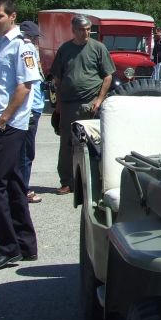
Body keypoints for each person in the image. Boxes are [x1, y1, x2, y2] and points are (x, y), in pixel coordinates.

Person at [0, 0, 41, 272]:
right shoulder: (0, 45)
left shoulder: (21, 46)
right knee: (14, 184)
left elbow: (25, 86)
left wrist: (3, 118)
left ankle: (7, 247)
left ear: (12, 16)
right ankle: (25, 244)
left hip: (9, 125)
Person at [50, 15, 114, 196]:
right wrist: (59, 105)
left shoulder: (98, 48)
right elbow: (58, 78)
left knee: (94, 143)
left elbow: (108, 76)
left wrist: (99, 100)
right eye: (82, 29)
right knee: (67, 144)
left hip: (91, 103)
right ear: (74, 30)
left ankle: (96, 181)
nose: (86, 33)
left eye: (88, 29)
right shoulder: (65, 49)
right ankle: (67, 182)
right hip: (69, 104)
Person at [19, 21, 44, 204]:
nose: (36, 42)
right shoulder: (27, 50)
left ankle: (21, 188)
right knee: (25, 153)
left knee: (26, 153)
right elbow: (29, 84)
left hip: (33, 108)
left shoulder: (29, 51)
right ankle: (22, 190)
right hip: (29, 110)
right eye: (34, 38)